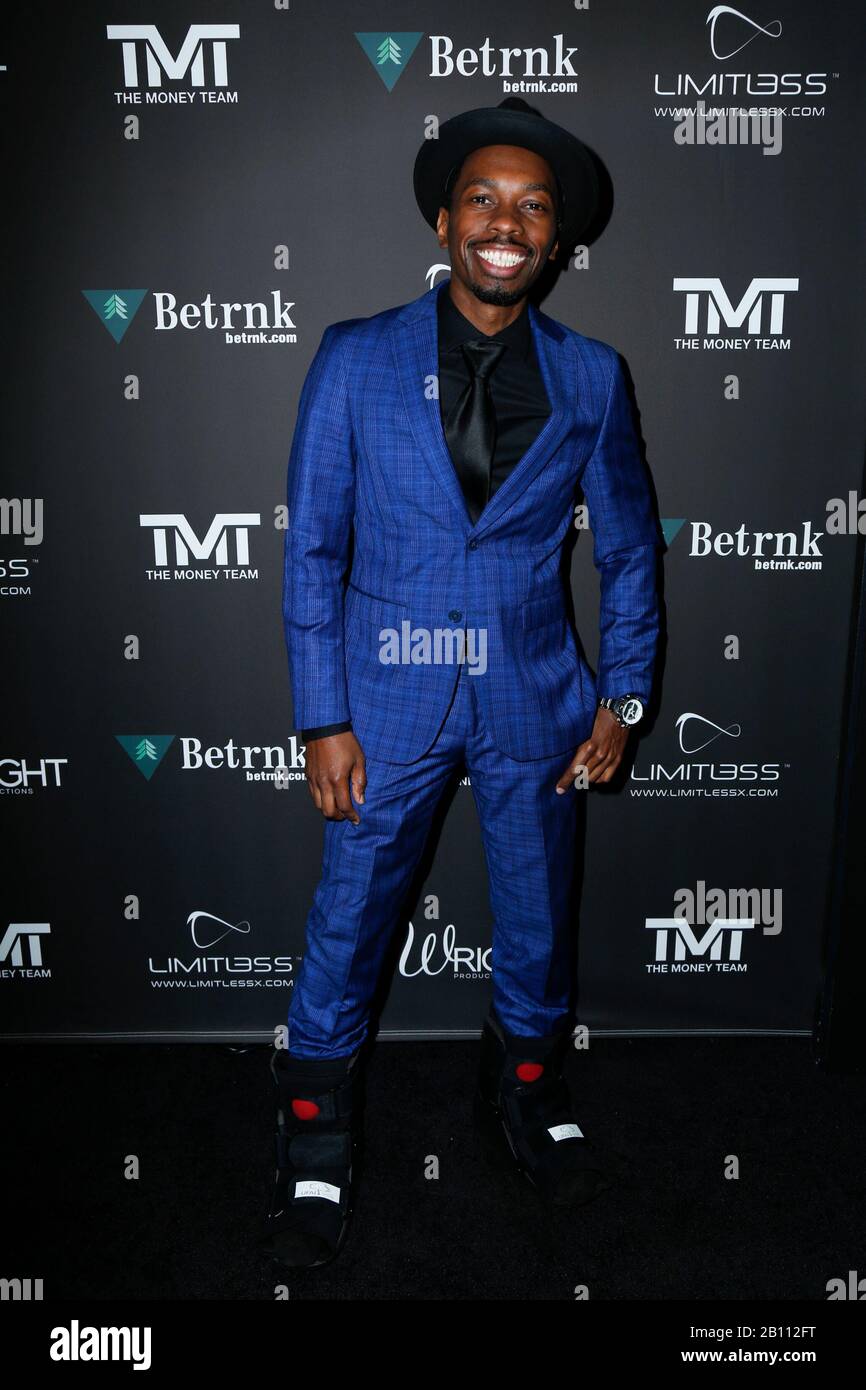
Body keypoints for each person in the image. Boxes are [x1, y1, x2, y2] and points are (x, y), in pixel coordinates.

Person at [262, 97, 661, 1268]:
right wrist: (321, 714)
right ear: (444, 222)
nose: (505, 221)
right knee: (349, 920)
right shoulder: (352, 356)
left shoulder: (591, 377)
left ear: (555, 239)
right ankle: (313, 1136)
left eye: (532, 207)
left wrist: (621, 697)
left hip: (536, 696)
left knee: (536, 926)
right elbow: (312, 552)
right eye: (482, 199)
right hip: (382, 701)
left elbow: (631, 550)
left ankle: (528, 1099)